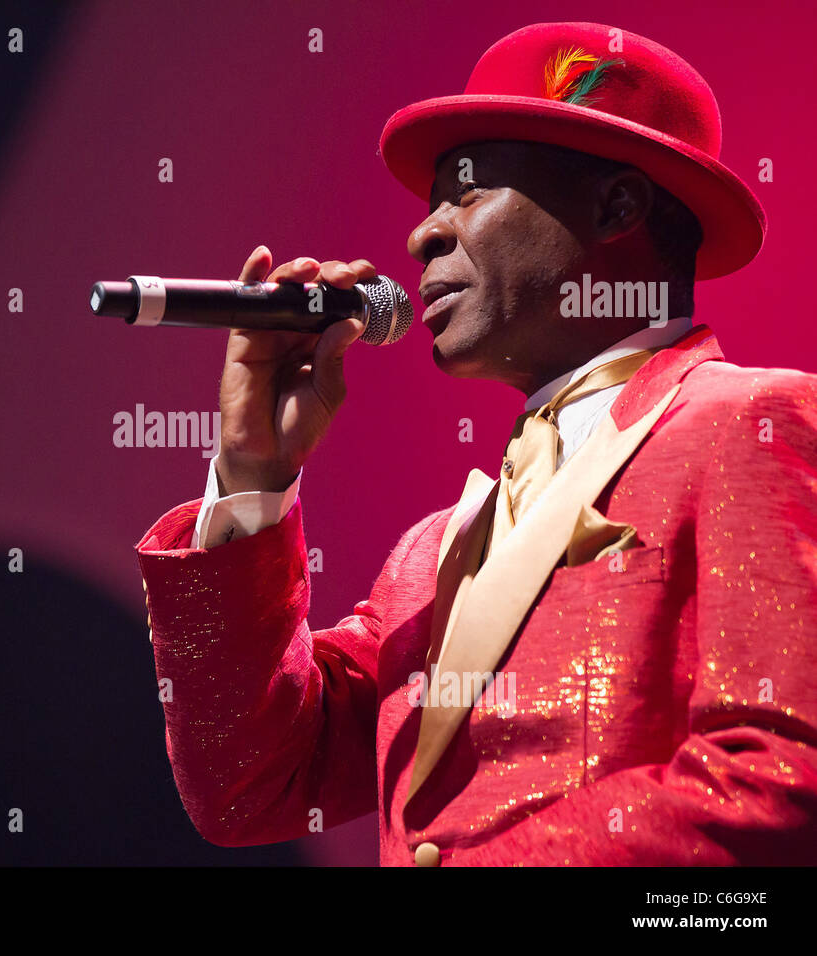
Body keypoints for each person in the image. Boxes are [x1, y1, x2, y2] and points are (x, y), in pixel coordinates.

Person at [134, 21, 817, 866]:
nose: (421, 237)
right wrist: (251, 476)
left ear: (617, 206)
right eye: (430, 209)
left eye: (467, 192)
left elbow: (786, 781)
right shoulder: (432, 554)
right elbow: (247, 786)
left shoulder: (751, 422)